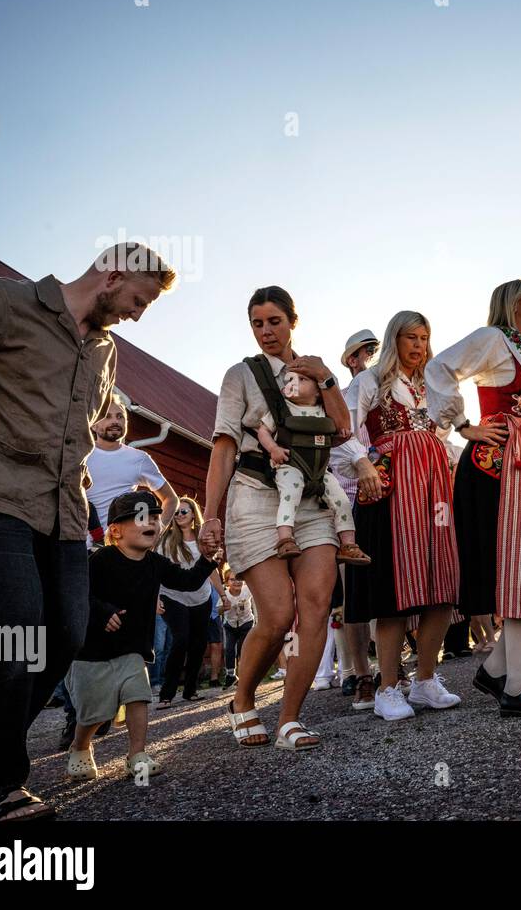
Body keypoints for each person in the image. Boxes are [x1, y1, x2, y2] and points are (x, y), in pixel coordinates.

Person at [0, 241, 176, 820]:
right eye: (138, 300)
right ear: (113, 274)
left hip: (64, 509)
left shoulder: (104, 350)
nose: (137, 314)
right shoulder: (4, 303)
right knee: (16, 624)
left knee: (67, 631)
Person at [201, 286, 352, 751]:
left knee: (315, 606)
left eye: (274, 321)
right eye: (257, 323)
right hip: (254, 496)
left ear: (293, 321)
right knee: (277, 613)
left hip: (310, 498)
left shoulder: (315, 371)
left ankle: (289, 718)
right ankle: (243, 700)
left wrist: (327, 378)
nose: (267, 331)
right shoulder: (240, 376)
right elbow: (225, 445)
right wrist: (210, 517)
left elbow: (343, 430)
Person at [427, 280, 521, 717]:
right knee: (519, 561)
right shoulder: (492, 338)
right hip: (504, 459)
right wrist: (463, 425)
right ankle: (515, 685)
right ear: (515, 303)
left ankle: (499, 670)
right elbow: (439, 368)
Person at [332, 311, 462, 721]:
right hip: (389, 489)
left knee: (440, 583)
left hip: (432, 488)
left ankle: (425, 679)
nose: (419, 345)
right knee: (393, 590)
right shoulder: (369, 381)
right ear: (395, 339)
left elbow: (445, 434)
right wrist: (363, 465)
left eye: (424, 337)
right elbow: (343, 428)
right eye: (410, 336)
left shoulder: (434, 385)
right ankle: (388, 686)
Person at [65, 490, 216, 780]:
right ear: (115, 531)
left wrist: (207, 560)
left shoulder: (155, 563)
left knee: (138, 696)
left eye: (156, 518)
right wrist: (101, 611)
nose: (153, 523)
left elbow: (187, 582)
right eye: (142, 518)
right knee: (94, 714)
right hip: (93, 653)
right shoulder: (101, 560)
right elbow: (79, 592)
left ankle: (137, 754)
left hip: (133, 649)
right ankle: (80, 746)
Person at [254, 371, 370, 565]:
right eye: (290, 379)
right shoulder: (282, 410)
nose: (294, 383)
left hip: (320, 470)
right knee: (290, 493)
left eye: (302, 379)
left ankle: (348, 544)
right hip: (291, 465)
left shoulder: (323, 412)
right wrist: (273, 448)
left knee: (340, 499)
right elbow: (263, 431)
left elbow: (326, 442)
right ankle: (285, 538)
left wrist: (339, 438)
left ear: (317, 391)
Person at [331, 329, 380, 703]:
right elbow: (336, 452)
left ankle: (389, 670)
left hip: (389, 496)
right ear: (352, 360)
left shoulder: (389, 396)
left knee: (388, 584)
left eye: (377, 350)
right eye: (367, 351)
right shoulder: (344, 401)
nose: (373, 356)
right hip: (351, 502)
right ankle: (361, 672)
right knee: (355, 594)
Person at [155, 497, 225, 706]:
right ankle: (166, 694)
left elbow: (210, 571)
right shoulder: (166, 540)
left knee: (198, 643)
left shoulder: (203, 539)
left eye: (183, 512)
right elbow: (158, 570)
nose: (179, 516)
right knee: (181, 639)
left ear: (194, 514)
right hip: (172, 595)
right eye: (176, 513)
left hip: (200, 597)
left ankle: (190, 690)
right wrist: (155, 596)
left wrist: (222, 595)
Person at [85, 397, 179, 540]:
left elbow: (171, 499)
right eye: (107, 416)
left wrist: (156, 532)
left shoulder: (139, 459)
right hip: (79, 545)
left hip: (119, 547)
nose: (115, 421)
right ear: (93, 425)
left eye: (120, 416)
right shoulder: (81, 454)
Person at [220, 572, 255, 689]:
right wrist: (223, 607)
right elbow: (218, 610)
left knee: (243, 649)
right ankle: (230, 676)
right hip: (230, 625)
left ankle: (246, 676)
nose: (237, 582)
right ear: (227, 582)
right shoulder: (224, 595)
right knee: (229, 649)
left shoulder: (247, 590)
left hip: (246, 623)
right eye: (233, 579)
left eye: (240, 579)